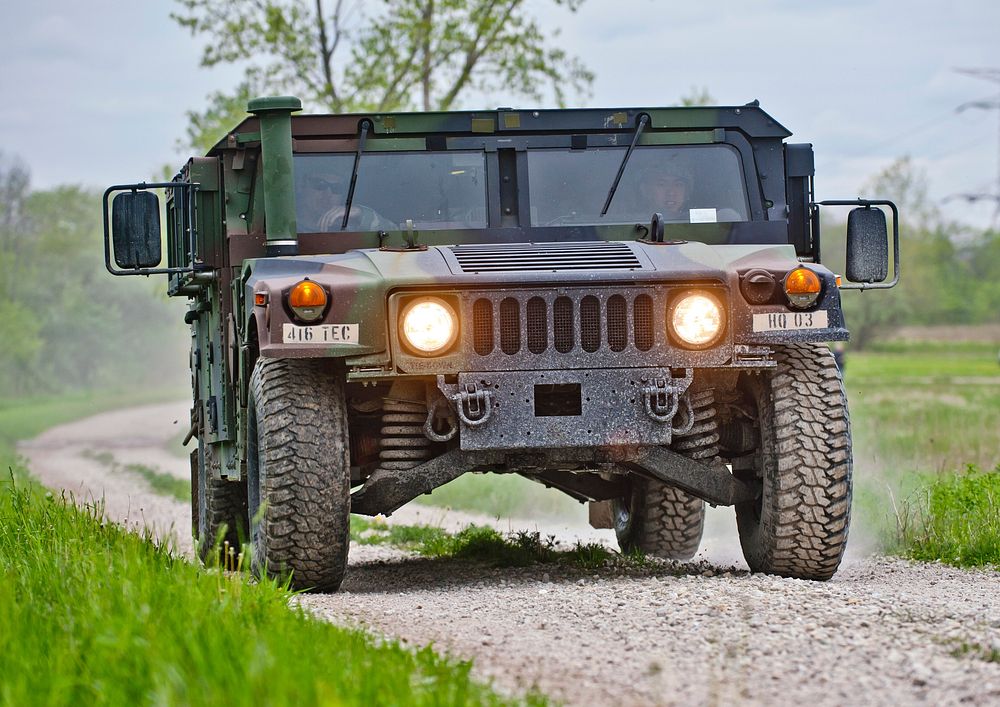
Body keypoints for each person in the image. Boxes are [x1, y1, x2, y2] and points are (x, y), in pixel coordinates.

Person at [297, 171, 396, 232]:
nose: (328, 195)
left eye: (336, 188)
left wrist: (360, 214)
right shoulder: (286, 229)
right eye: (320, 185)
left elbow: (399, 238)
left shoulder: (350, 228)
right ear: (301, 187)